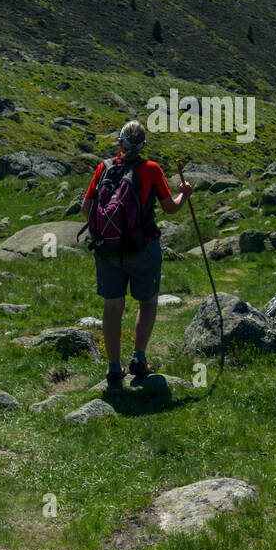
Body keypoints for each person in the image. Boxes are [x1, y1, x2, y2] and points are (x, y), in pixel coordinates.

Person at [82, 120, 193, 386]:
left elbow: (87, 207)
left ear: (120, 143)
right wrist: (185, 195)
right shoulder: (151, 169)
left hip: (107, 250)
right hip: (142, 248)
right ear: (143, 145)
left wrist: (108, 231)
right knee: (147, 302)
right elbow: (169, 209)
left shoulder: (103, 168)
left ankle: (112, 367)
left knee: (112, 305)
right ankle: (139, 359)